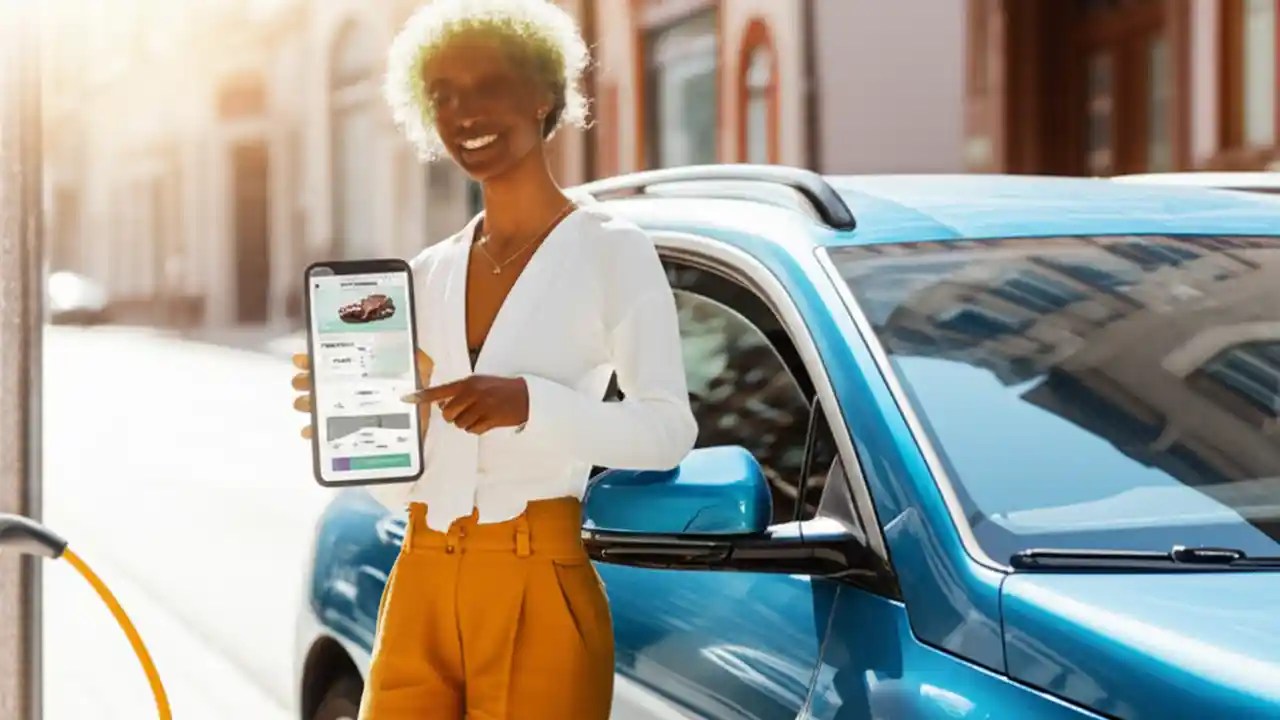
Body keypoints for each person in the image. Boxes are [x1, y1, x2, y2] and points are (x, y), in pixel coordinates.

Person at [290, 1, 698, 717]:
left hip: (538, 583)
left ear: (543, 93)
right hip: (417, 577)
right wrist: (364, 433)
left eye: (488, 86)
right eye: (444, 93)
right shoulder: (423, 275)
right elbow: (413, 490)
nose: (464, 111)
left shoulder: (611, 250)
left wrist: (531, 405)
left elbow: (667, 430)